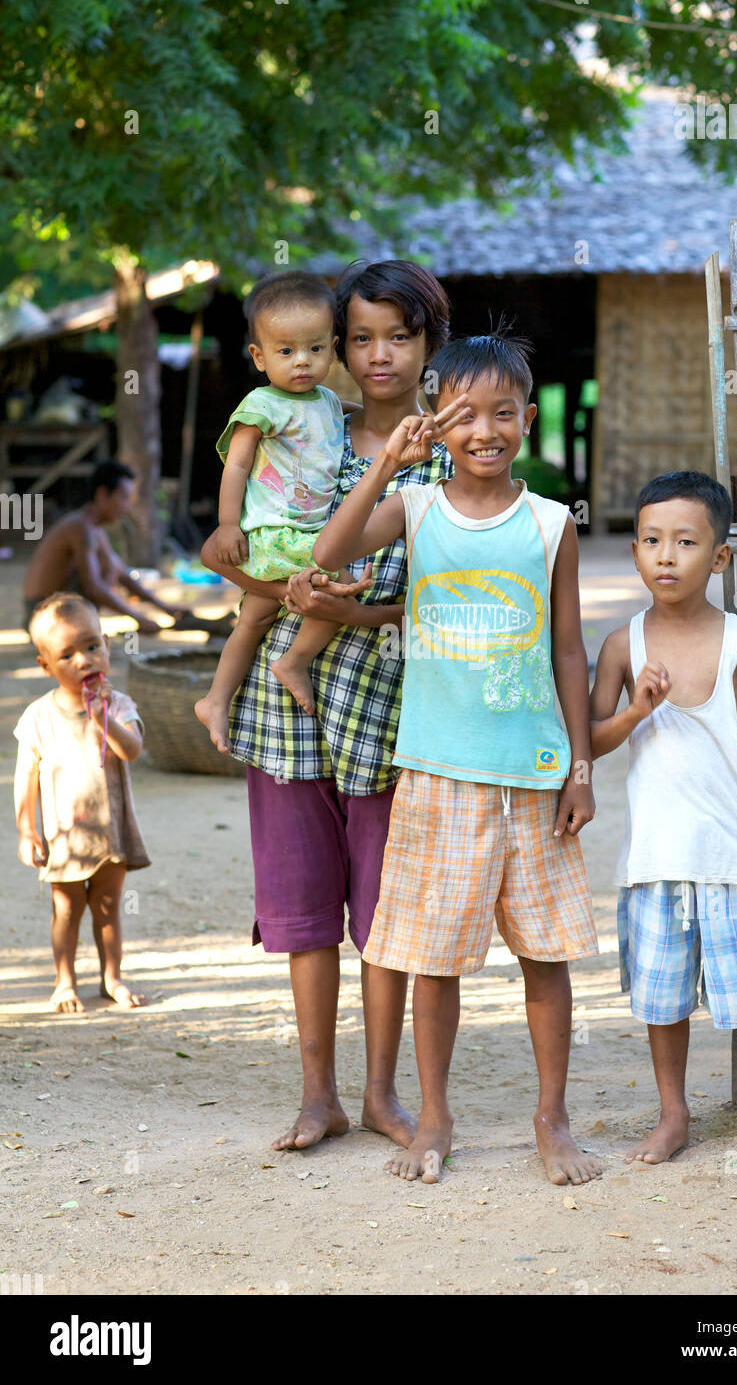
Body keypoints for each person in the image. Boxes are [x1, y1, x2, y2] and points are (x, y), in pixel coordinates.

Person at [313, 330, 600, 1188]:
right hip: (437, 773)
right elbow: (329, 556)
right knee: (434, 959)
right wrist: (388, 465)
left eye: (502, 413)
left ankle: (551, 1118)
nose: (485, 430)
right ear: (436, 420)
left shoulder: (552, 525)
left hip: (533, 774)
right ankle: (432, 1116)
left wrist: (581, 766)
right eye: (464, 414)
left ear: (529, 417)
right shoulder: (419, 507)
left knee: (545, 957)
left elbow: (570, 652)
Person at [202, 259, 453, 1154]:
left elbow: (463, 602)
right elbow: (222, 549)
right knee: (305, 907)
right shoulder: (303, 427)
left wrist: (358, 611)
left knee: (387, 912)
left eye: (400, 336)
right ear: (336, 346)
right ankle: (320, 1096)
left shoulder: (458, 456)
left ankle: (385, 1095)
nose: (378, 355)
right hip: (288, 702)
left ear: (430, 342)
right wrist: (265, 578)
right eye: (360, 338)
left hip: (393, 709)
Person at [588, 470, 737, 1175]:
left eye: (686, 542)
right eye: (652, 541)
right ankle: (674, 1113)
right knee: (662, 999)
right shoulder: (621, 647)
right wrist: (637, 709)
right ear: (634, 550)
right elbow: (594, 740)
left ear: (719, 558)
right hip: (658, 858)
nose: (666, 556)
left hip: (735, 853)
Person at [194, 271, 369, 752]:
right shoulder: (262, 404)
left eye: (315, 349)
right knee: (340, 586)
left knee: (251, 620)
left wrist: (370, 413)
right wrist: (229, 524)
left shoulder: (329, 401)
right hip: (277, 533)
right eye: (286, 351)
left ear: (332, 348)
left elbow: (344, 414)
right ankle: (294, 659)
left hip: (303, 529)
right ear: (259, 356)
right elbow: (237, 466)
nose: (301, 363)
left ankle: (215, 699)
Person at [14, 593, 150, 1014]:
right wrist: (27, 830)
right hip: (64, 838)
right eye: (67, 654)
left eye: (92, 647)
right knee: (66, 910)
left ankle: (112, 977)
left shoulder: (119, 705)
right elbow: (26, 776)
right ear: (46, 666)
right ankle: (64, 982)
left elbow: (132, 750)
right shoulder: (38, 717)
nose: (84, 660)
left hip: (110, 834)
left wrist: (103, 719)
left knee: (108, 911)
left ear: (108, 644)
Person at [22, 461, 186, 635]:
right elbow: (93, 587)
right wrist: (138, 617)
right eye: (123, 498)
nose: (127, 507)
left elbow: (123, 575)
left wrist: (165, 607)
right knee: (105, 567)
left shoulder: (94, 529)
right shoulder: (80, 528)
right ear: (102, 494)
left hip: (54, 611)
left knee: (110, 564)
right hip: (43, 617)